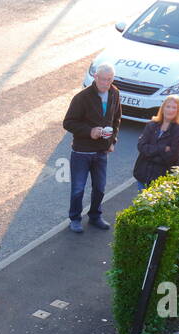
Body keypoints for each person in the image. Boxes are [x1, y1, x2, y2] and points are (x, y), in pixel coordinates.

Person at [62, 63, 122, 233]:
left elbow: (117, 118)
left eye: (109, 80)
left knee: (100, 187)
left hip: (102, 151)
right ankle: (75, 218)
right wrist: (90, 131)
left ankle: (95, 216)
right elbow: (68, 123)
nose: (105, 83)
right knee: (78, 189)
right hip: (81, 151)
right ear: (95, 77)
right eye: (102, 79)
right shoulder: (82, 97)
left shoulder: (114, 93)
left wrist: (112, 141)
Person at [133, 94, 179, 190]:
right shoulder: (152, 124)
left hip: (161, 178)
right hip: (143, 174)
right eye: (168, 106)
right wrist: (162, 148)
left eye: (174, 107)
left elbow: (172, 156)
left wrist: (150, 152)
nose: (170, 110)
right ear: (163, 108)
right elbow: (141, 146)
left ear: (178, 111)